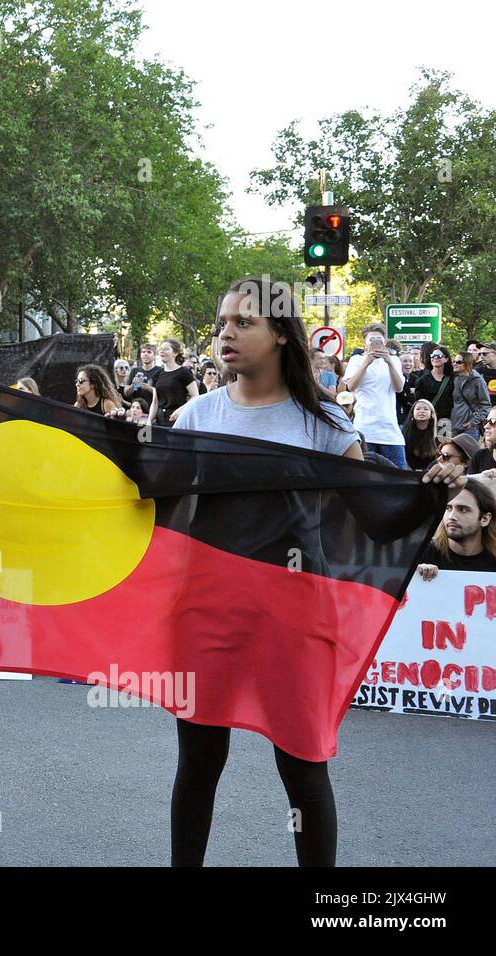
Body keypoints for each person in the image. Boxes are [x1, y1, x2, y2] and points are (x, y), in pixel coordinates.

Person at [170, 275, 464, 868]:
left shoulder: (322, 423)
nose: (225, 334)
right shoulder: (196, 417)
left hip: (293, 618)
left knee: (303, 772)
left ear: (281, 334)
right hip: (207, 613)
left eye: (242, 323)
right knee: (197, 768)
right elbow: (156, 512)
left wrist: (430, 489)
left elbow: (377, 517)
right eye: (221, 323)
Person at [342, 324, 406, 467]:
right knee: (365, 475)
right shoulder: (357, 360)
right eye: (372, 339)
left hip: (389, 430)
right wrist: (366, 362)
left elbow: (399, 388)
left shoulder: (394, 360)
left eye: (379, 339)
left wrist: (389, 361)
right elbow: (351, 386)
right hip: (364, 427)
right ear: (365, 342)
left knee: (398, 473)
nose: (376, 342)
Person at [416, 482, 496, 576]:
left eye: (463, 509)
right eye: (448, 508)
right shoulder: (422, 554)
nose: (452, 516)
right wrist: (414, 575)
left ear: (485, 519)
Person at [153, 339, 197, 424]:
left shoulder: (184, 372)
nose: (162, 351)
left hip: (178, 418)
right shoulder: (157, 374)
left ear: (175, 353)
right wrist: (149, 420)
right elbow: (155, 402)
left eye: (166, 349)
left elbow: (195, 396)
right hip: (160, 419)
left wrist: (181, 410)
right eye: (161, 349)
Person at [449, 351, 491, 439]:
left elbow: (486, 405)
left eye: (459, 362)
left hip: (470, 429)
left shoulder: (478, 380)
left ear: (467, 363)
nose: (455, 364)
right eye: (454, 361)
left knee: (470, 452)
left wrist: (473, 422)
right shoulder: (452, 379)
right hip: (453, 427)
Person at [412, 344, 456, 428]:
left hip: (446, 422)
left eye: (439, 356)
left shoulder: (453, 378)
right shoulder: (422, 380)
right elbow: (419, 402)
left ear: (446, 359)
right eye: (433, 355)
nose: (435, 358)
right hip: (428, 421)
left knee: (444, 441)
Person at [404, 399, 441, 471]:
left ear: (431, 414)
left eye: (426, 409)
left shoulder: (438, 433)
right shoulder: (405, 432)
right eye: (418, 409)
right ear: (412, 413)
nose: (422, 411)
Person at [124, 343, 159, 407]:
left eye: (149, 352)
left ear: (154, 356)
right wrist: (133, 385)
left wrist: (149, 388)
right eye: (143, 352)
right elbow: (126, 394)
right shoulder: (134, 371)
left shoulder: (160, 371)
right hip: (137, 409)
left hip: (154, 408)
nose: (145, 354)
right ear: (140, 355)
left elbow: (163, 394)